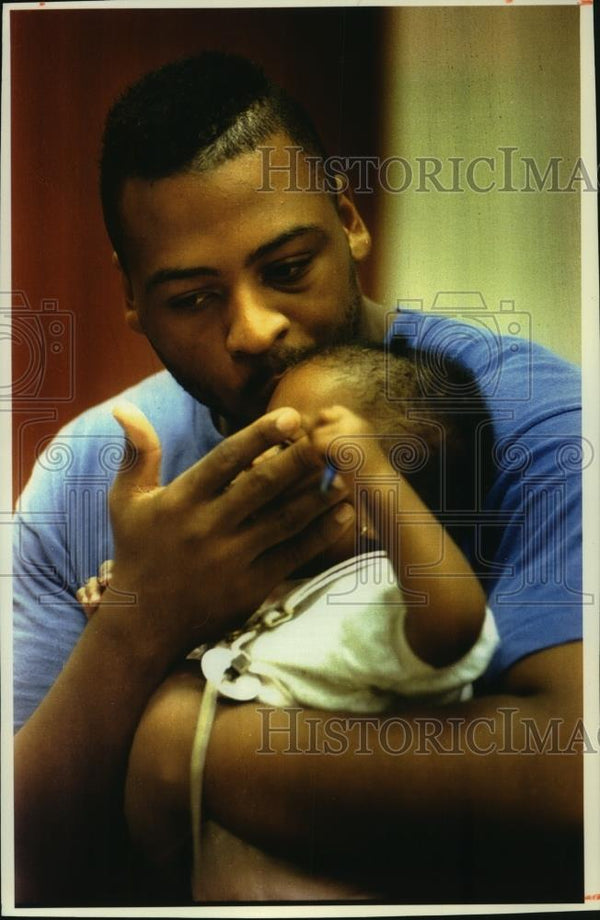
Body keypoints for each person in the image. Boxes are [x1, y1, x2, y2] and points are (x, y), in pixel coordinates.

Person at [13, 52, 583, 905]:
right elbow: (18, 862)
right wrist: (136, 625)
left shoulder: (529, 419)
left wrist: (183, 745)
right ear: (132, 298)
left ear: (349, 221)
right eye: (193, 298)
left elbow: (575, 780)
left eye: (286, 269)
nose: (253, 329)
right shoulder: (92, 471)